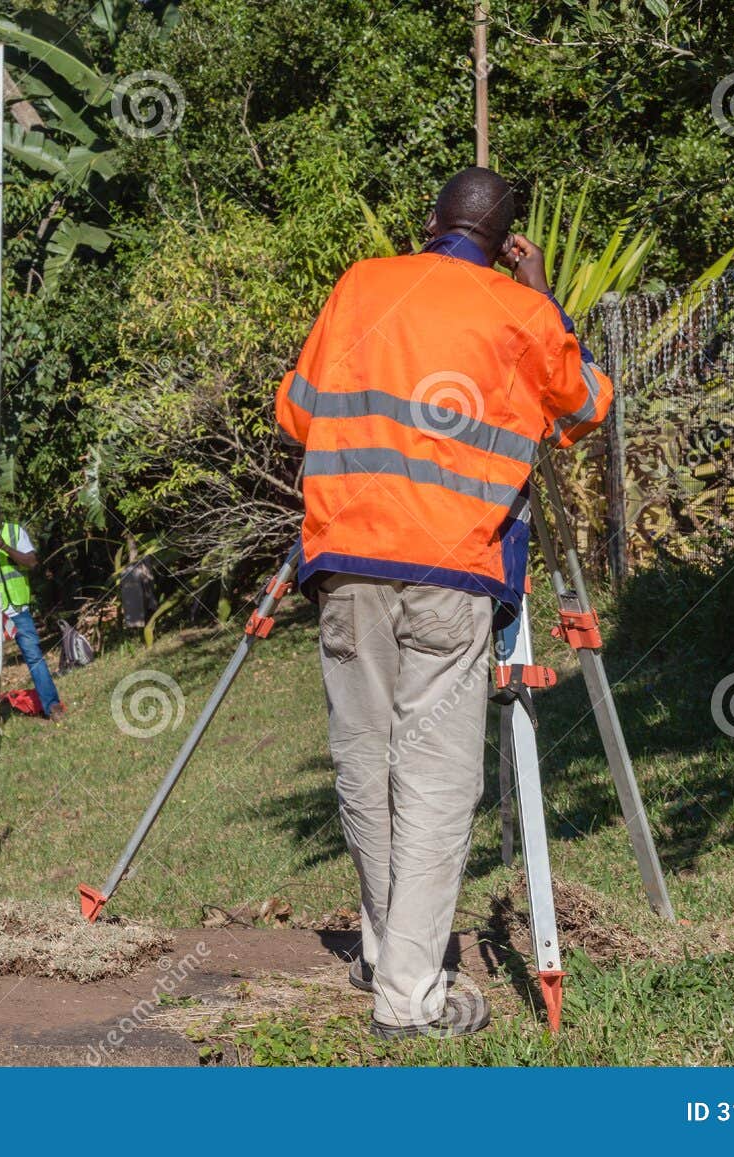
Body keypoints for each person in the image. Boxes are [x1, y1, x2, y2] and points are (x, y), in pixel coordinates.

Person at [274, 167, 614, 1039]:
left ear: (430, 221)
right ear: (506, 241)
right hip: (453, 572)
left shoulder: (361, 284)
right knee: (434, 778)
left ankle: (392, 954)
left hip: (346, 559)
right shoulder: (520, 310)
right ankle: (410, 994)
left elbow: (297, 414)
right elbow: (580, 409)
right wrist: (545, 299)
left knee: (364, 757)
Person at [0, 498, 65, 722]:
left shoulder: (16, 532)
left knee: (34, 656)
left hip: (18, 610)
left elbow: (32, 562)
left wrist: (4, 547)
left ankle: (52, 705)